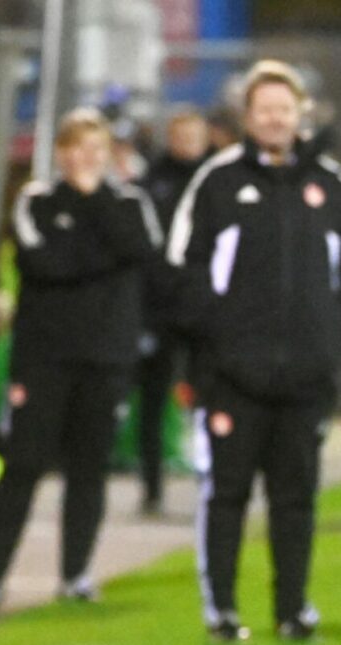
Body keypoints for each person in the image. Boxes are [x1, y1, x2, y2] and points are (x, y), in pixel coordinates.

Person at [166, 61, 341, 642]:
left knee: (295, 498)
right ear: (248, 118)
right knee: (226, 495)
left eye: (285, 108)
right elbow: (183, 266)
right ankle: (222, 610)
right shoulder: (218, 182)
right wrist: (221, 337)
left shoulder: (329, 183)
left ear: (300, 113)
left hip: (306, 376)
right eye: (265, 109)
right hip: (232, 377)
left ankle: (291, 609)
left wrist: (332, 335)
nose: (276, 118)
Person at [0, 107, 158, 611]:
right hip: (44, 358)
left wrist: (94, 204)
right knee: (23, 464)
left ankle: (75, 574)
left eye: (96, 148)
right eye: (76, 147)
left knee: (88, 468)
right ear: (60, 153)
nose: (86, 158)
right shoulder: (35, 202)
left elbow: (139, 251)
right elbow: (45, 263)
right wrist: (99, 257)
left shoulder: (130, 203)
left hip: (106, 358)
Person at [132, 108, 211, 515]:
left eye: (193, 135)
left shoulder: (218, 181)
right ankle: (151, 487)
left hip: (202, 310)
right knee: (153, 398)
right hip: (160, 310)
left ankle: (209, 481)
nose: (186, 142)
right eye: (179, 135)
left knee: (208, 398)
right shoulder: (152, 182)